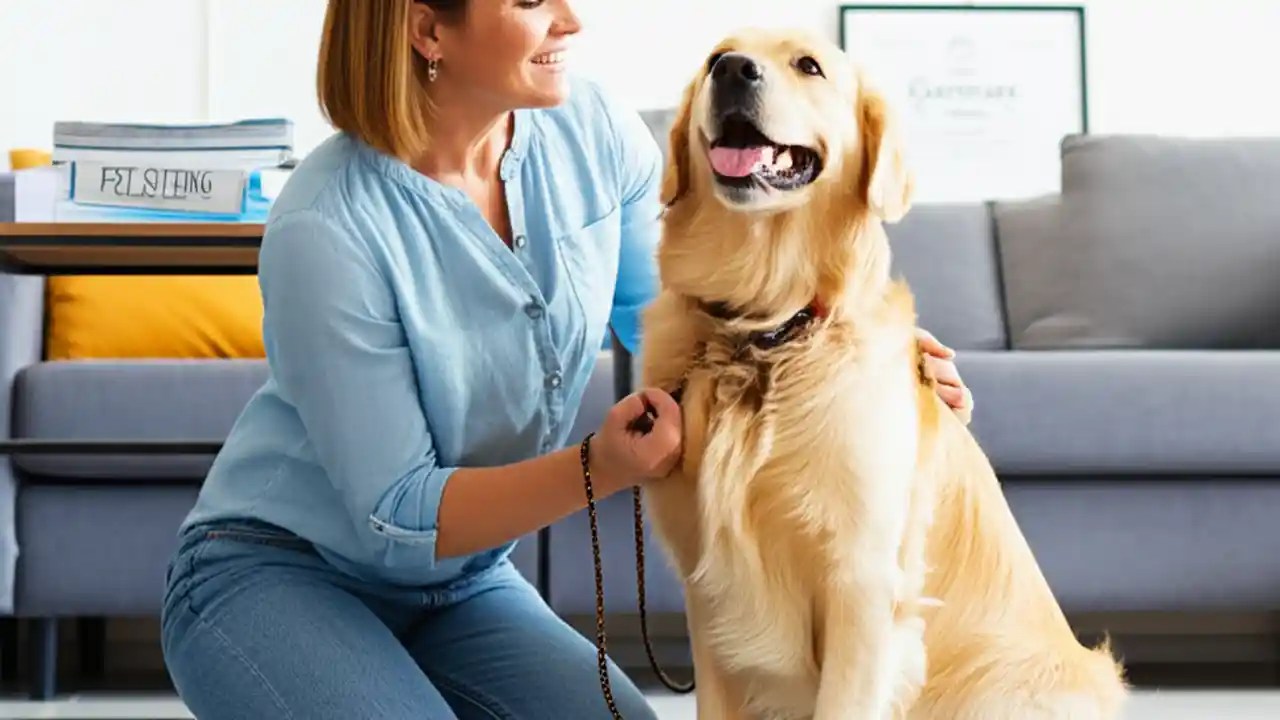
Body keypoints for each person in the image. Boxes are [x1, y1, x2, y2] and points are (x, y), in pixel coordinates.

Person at [159, 1, 974, 718]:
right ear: (426, 29)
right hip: (274, 573)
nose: (571, 21)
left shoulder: (591, 134)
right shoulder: (327, 224)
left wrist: (870, 356)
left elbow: (685, 323)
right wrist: (597, 468)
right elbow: (397, 516)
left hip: (461, 584)